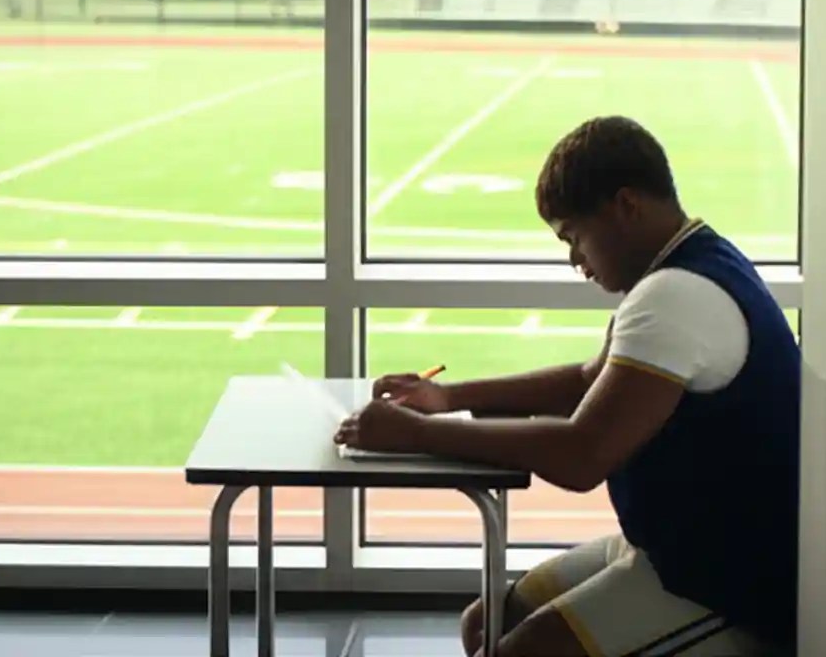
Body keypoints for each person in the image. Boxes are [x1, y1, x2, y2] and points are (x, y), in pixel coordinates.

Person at [335, 116, 800, 657]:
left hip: (726, 579)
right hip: (669, 546)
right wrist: (449, 398)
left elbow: (583, 456)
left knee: (525, 652)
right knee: (484, 625)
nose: (575, 259)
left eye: (575, 236)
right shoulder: (688, 264)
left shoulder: (675, 296)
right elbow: (588, 380)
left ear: (626, 206)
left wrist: (416, 434)